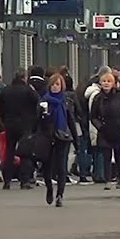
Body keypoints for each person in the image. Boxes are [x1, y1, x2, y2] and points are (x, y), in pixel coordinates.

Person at [38, 73, 78, 207]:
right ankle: (49, 188)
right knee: (47, 167)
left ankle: (60, 194)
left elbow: (70, 120)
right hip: (47, 136)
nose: (55, 87)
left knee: (61, 167)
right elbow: (37, 120)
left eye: (58, 85)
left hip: (63, 137)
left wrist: (76, 139)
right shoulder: (44, 101)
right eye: (53, 84)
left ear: (62, 86)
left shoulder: (65, 101)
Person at [0, 69, 40, 190]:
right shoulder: (28, 90)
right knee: (25, 152)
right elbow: (38, 101)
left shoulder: (6, 90)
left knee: (9, 152)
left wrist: (5, 119)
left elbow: (0, 108)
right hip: (25, 124)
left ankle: (7, 180)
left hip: (10, 124)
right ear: (25, 77)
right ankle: (24, 180)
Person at [90, 72, 120, 190]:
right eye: (104, 81)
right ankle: (107, 180)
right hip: (104, 129)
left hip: (118, 127)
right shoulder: (98, 98)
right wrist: (100, 126)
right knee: (106, 155)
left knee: (118, 153)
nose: (106, 83)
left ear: (113, 83)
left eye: (109, 81)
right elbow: (93, 116)